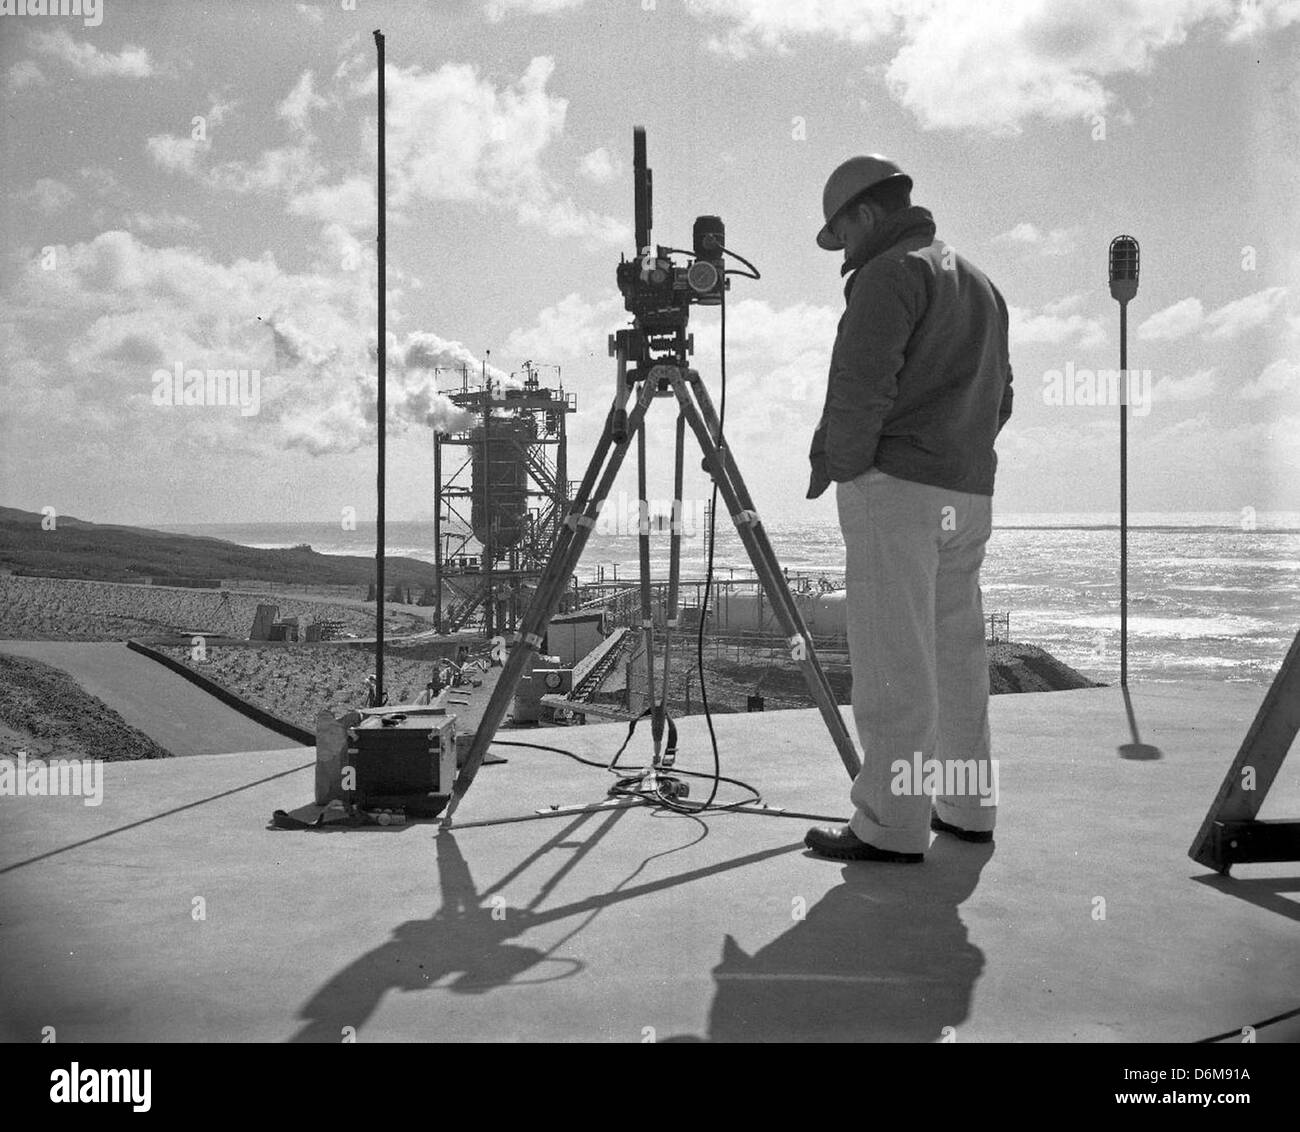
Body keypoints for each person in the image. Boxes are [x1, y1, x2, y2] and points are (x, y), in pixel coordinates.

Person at [802, 155, 1014, 863]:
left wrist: (851, 467)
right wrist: (956, 451)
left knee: (895, 666)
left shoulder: (891, 273)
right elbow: (1001, 397)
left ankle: (890, 826)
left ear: (864, 214)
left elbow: (860, 386)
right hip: (967, 491)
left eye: (843, 234)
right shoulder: (980, 283)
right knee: (956, 659)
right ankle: (966, 808)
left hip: (896, 490)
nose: (846, 251)